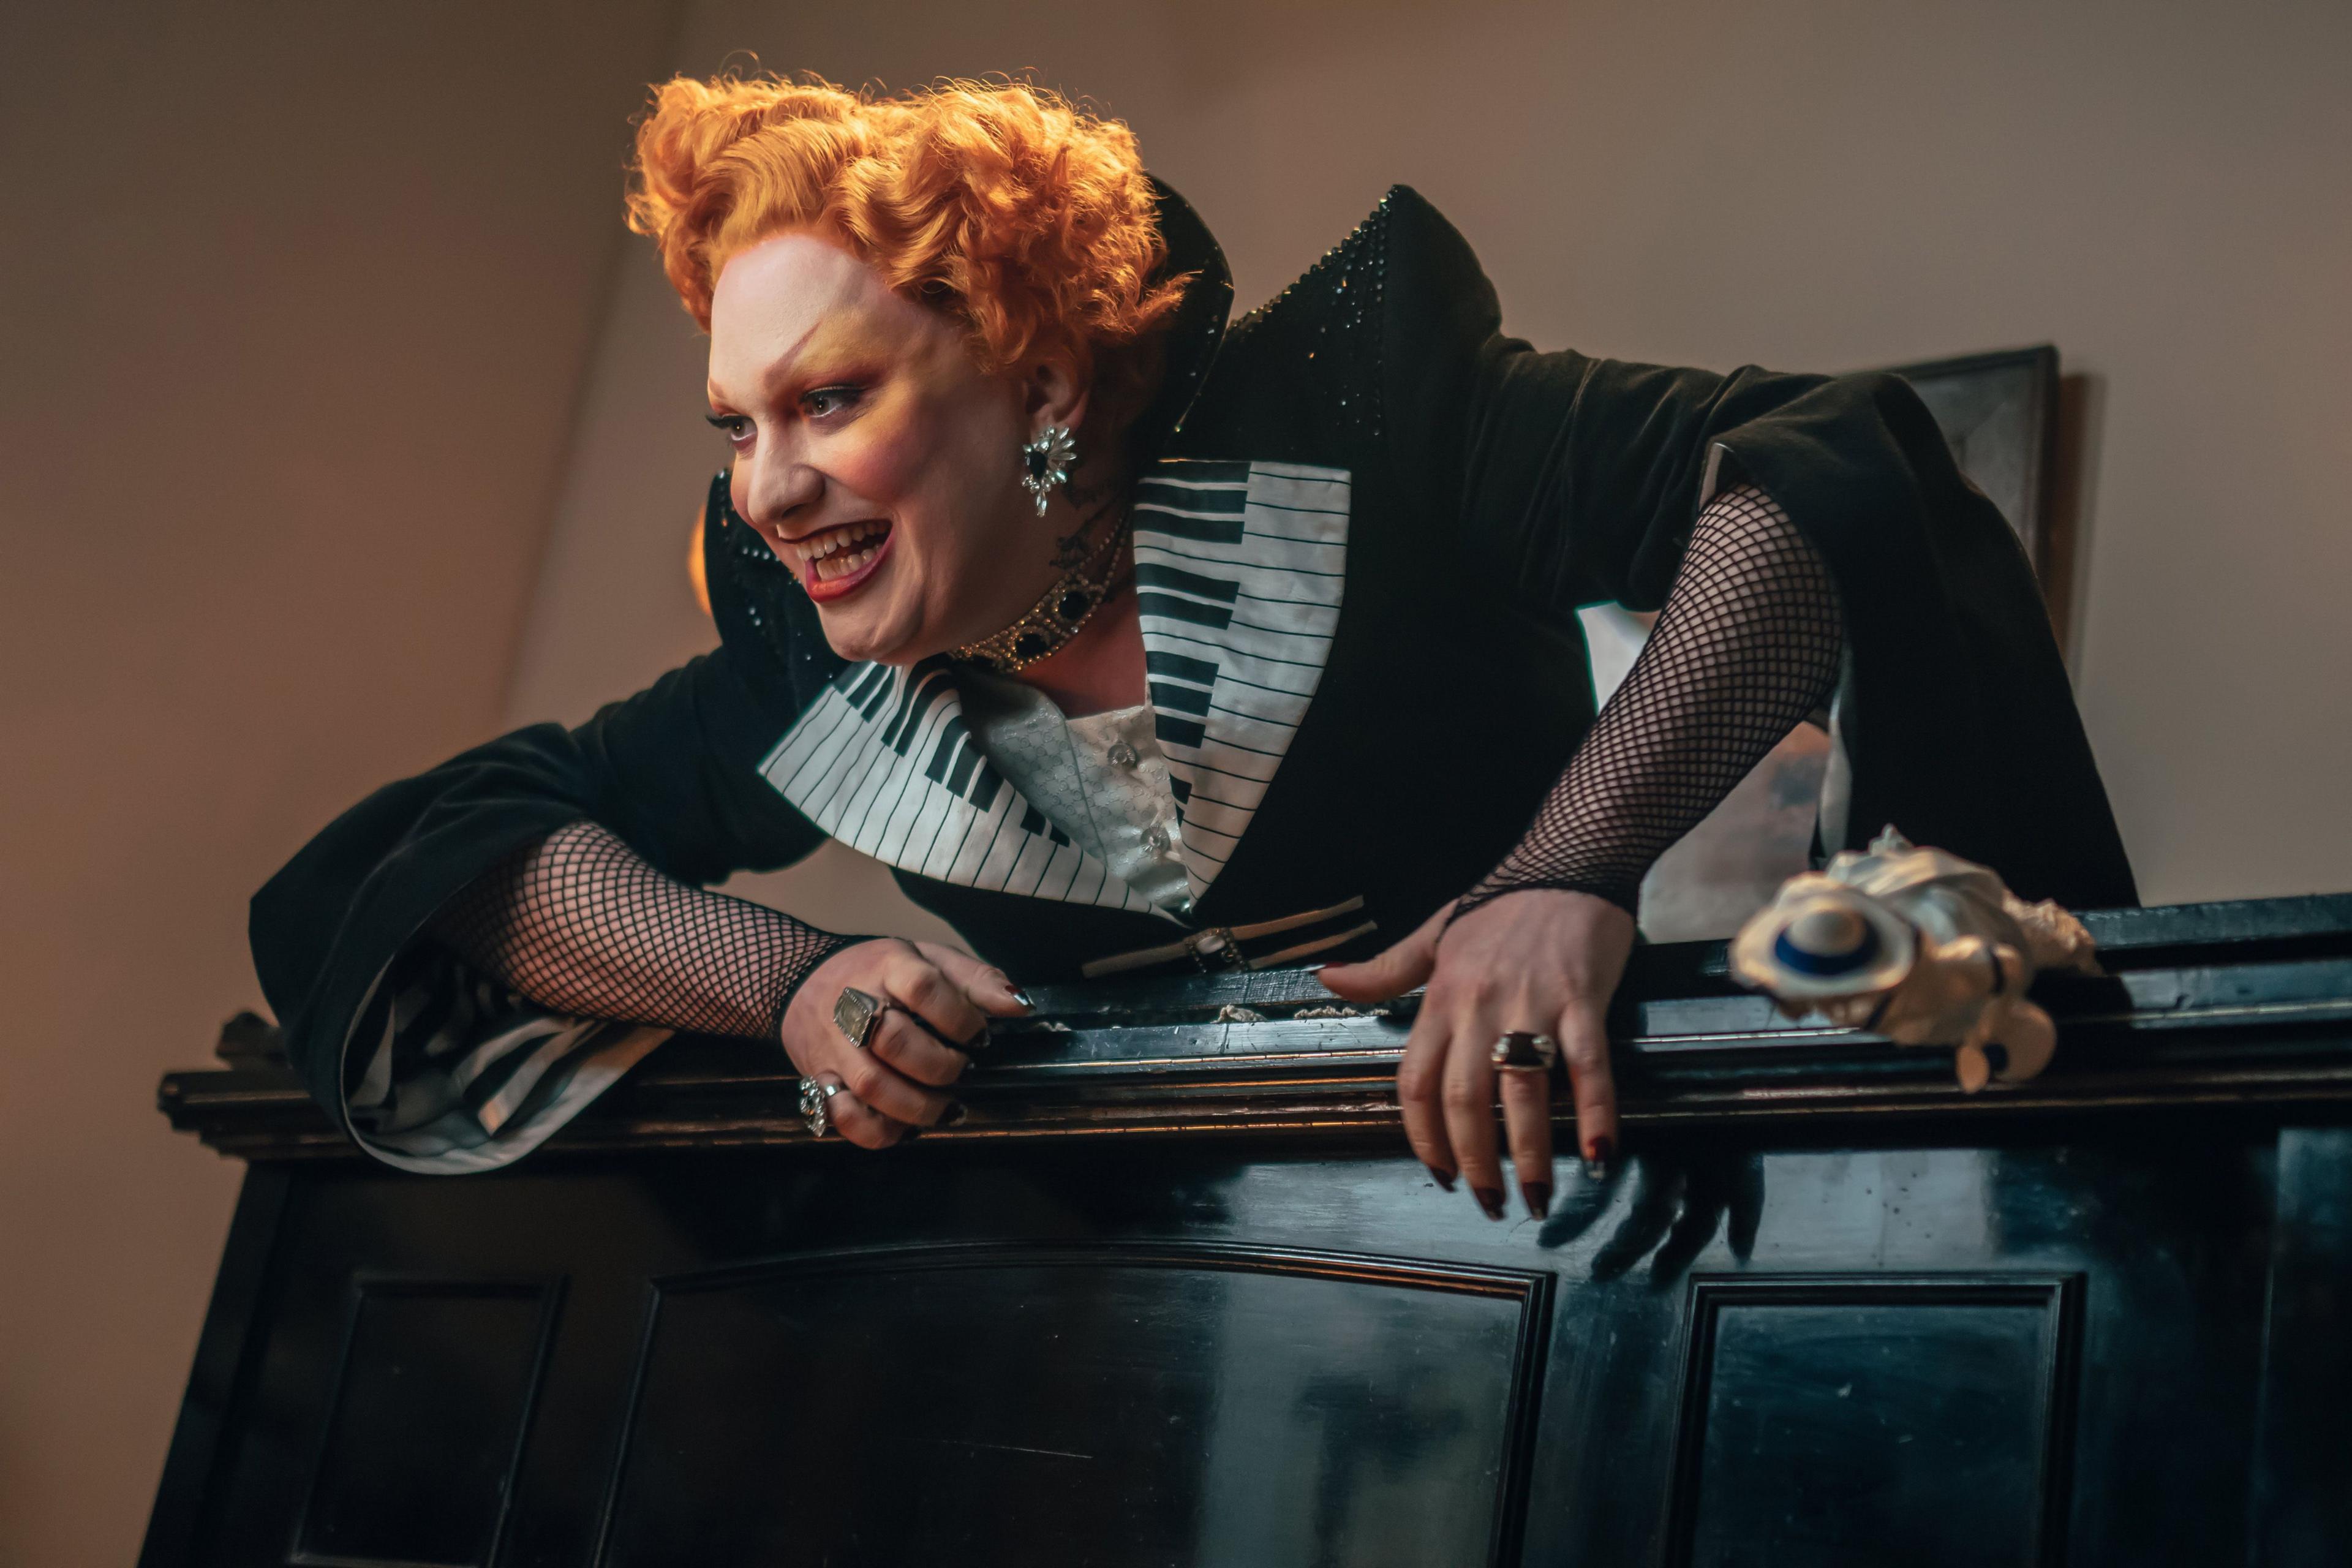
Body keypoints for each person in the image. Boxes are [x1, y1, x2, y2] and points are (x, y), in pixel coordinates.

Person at [251, 74, 2136, 1216]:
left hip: (1607, 1215)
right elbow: (457, 850)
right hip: (1167, 1304)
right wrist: (793, 983)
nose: (766, 490)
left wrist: (1565, 867)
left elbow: (1823, 466)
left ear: (1042, 384)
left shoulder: (1377, 424)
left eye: (828, 400)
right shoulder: (804, 668)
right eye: (738, 426)